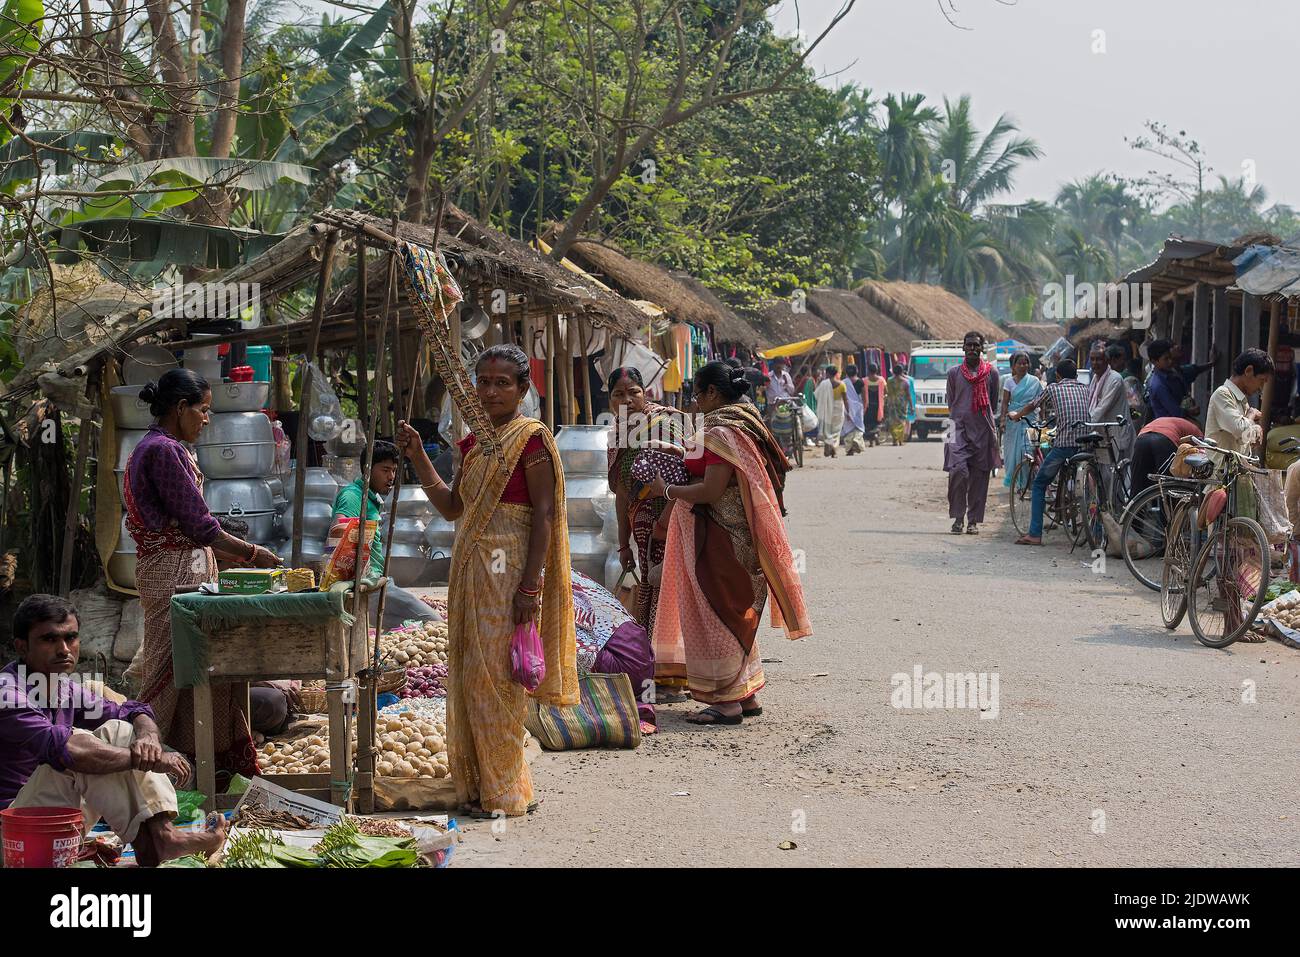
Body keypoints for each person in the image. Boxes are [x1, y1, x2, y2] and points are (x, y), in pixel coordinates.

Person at [395, 345, 577, 817]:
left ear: (522, 389)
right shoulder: (475, 444)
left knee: (498, 683)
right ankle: (480, 787)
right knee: (473, 678)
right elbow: (454, 508)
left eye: (502, 383)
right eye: (484, 381)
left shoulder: (531, 440)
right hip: (471, 576)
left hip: (509, 571)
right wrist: (417, 456)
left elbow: (544, 515)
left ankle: (506, 794)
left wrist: (530, 588)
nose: (491, 391)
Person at [125, 370, 279, 781]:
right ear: (180, 408)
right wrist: (251, 553)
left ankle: (201, 771)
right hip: (175, 573)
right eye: (204, 410)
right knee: (167, 671)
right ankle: (138, 770)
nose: (207, 419)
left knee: (201, 670)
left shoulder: (155, 448)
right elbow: (201, 526)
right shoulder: (164, 451)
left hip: (175, 567)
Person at [1, 595, 226, 865]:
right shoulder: (8, 693)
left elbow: (132, 711)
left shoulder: (64, 688)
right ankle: (159, 842)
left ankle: (161, 838)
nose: (64, 649)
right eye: (49, 639)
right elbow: (66, 749)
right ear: (21, 647)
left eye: (71, 638)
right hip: (14, 837)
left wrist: (149, 740)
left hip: (57, 825)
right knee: (83, 743)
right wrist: (150, 760)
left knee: (120, 729)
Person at [646, 361, 810, 724]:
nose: (695, 401)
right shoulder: (747, 421)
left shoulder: (721, 433)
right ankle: (745, 693)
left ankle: (725, 702)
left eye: (697, 394)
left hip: (719, 536)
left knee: (713, 614)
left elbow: (711, 489)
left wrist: (666, 489)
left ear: (713, 393)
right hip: (739, 535)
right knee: (735, 612)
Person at [604, 366, 688, 700]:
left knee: (670, 593)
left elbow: (684, 478)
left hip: (670, 520)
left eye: (633, 392)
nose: (627, 400)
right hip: (641, 528)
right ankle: (659, 673)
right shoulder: (617, 433)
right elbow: (622, 493)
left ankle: (675, 678)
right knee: (651, 593)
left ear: (646, 392)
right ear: (609, 399)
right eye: (618, 394)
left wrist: (664, 521)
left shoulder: (663, 424)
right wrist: (623, 544)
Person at [1008, 359, 1091, 546]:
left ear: (1058, 376)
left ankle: (1035, 534)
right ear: (1076, 376)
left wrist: (1016, 415)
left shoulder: (1053, 388)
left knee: (1039, 484)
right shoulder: (1086, 389)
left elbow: (1033, 404)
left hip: (1064, 446)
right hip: (1086, 445)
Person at [944, 332, 1001, 534]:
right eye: (969, 345)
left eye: (976, 345)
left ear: (982, 348)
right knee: (958, 471)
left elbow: (993, 404)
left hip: (982, 429)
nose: (972, 349)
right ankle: (958, 517)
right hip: (956, 428)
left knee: (979, 477)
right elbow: (952, 401)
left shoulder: (992, 374)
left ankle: (973, 521)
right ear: (963, 347)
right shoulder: (953, 373)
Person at [331, 439, 400, 579]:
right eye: (385, 470)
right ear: (367, 468)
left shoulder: (371, 498)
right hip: (363, 583)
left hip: (374, 577)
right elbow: (338, 534)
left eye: (394, 470)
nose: (391, 477)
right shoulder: (353, 496)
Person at [1206, 349, 1274, 455]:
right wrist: (1251, 416)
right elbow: (1240, 430)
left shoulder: (1241, 401)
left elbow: (1243, 439)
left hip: (1237, 468)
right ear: (1248, 371)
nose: (1261, 388)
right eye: (1261, 380)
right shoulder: (1222, 394)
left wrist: (1256, 432)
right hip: (1220, 470)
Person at [1129, 417, 1204, 500]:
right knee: (1169, 485)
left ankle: (1132, 511)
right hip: (1164, 438)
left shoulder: (1175, 421)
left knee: (1138, 484)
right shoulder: (1197, 431)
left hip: (1142, 437)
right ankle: (1167, 512)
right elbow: (1202, 453)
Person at [1000, 352, 1043, 488]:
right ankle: (1017, 484)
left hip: (1030, 420)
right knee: (1012, 452)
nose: (1023, 366)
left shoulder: (1035, 381)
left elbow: (1040, 401)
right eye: (1020, 363)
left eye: (1025, 363)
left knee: (1026, 451)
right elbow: (1005, 403)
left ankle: (1028, 482)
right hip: (1013, 421)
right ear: (1013, 366)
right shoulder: (1008, 382)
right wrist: (1002, 420)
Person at [1144, 339, 1186, 421]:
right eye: (1166, 359)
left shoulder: (1172, 373)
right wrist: (1190, 412)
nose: (1170, 361)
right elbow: (1177, 413)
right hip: (1169, 425)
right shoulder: (1158, 385)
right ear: (1154, 361)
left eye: (1170, 357)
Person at [814, 365, 846, 457]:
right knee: (836, 431)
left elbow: (816, 395)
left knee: (827, 430)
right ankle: (834, 448)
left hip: (826, 409)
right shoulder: (842, 385)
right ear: (836, 373)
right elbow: (845, 399)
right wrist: (849, 411)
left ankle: (828, 446)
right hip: (838, 409)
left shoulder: (823, 384)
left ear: (827, 373)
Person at [841, 364, 867, 455]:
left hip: (846, 407)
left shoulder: (843, 382)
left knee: (848, 429)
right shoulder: (860, 382)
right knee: (859, 428)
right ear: (857, 372)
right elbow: (865, 397)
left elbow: (842, 397)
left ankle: (849, 449)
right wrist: (865, 407)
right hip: (858, 409)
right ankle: (856, 440)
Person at [886, 364, 913, 446]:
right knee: (901, 421)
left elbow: (888, 391)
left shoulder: (889, 380)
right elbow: (908, 395)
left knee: (893, 421)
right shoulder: (906, 382)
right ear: (902, 372)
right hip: (902, 404)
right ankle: (900, 440)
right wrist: (911, 406)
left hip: (891, 403)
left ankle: (895, 439)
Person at [862, 364, 886, 446]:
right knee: (877, 423)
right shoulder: (881, 380)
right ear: (877, 370)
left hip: (868, 406)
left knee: (868, 423)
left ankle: (871, 441)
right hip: (878, 406)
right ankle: (876, 435)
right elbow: (886, 391)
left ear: (868, 370)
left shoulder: (864, 380)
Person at [904, 370, 919, 441]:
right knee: (908, 420)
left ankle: (904, 435)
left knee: (903, 420)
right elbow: (912, 392)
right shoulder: (911, 379)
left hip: (902, 401)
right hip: (910, 400)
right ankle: (907, 435)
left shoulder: (895, 379)